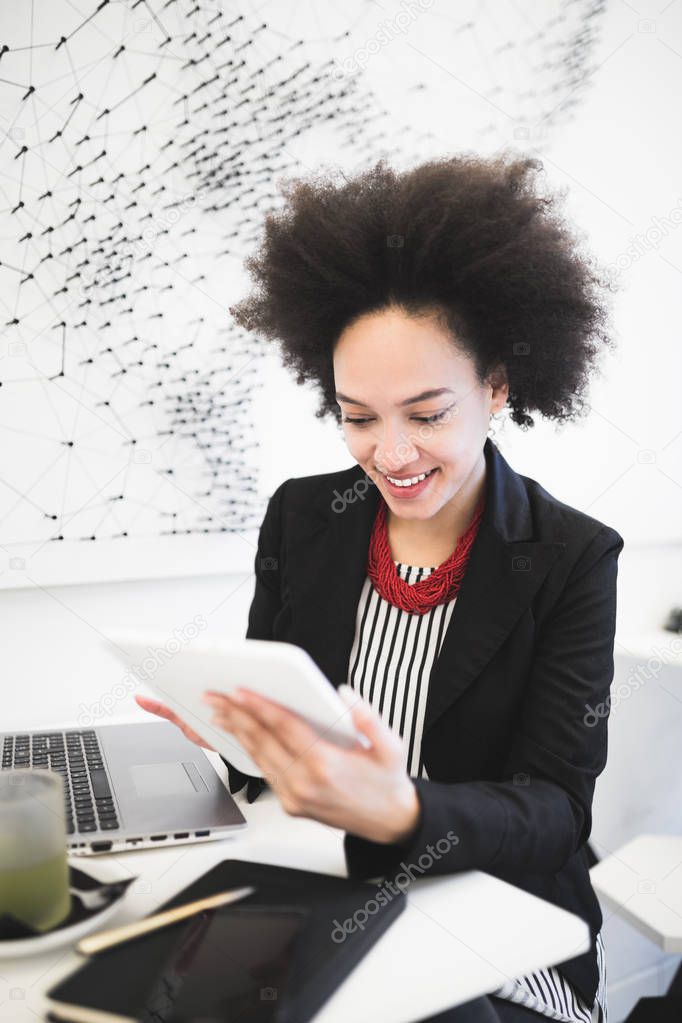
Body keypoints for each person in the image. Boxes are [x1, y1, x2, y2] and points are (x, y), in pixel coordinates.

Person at [136, 153, 622, 1022]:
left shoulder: (571, 556)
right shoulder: (302, 517)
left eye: (427, 414)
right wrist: (234, 733)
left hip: (493, 914)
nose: (390, 454)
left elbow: (556, 810)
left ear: (497, 386)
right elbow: (279, 746)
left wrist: (404, 810)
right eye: (357, 417)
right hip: (315, 876)